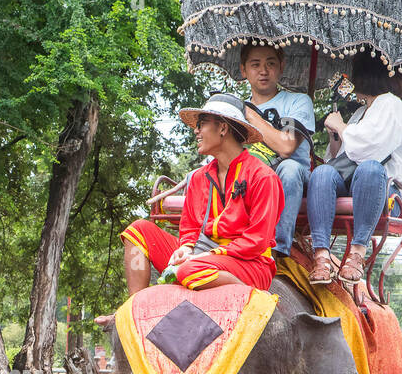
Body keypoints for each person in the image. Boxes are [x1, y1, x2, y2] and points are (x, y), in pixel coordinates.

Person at [117, 93, 282, 296]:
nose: (196, 131)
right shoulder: (198, 177)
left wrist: (205, 256)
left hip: (249, 263)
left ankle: (249, 294)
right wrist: (186, 249)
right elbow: (190, 229)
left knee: (189, 270)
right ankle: (135, 307)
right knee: (137, 231)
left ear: (223, 128)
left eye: (201, 124)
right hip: (202, 257)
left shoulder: (263, 177)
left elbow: (257, 240)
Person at [307, 51, 402, 288]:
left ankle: (357, 252)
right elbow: (337, 160)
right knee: (322, 173)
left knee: (370, 169)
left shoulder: (391, 104)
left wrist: (341, 126)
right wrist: (335, 136)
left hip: (382, 190)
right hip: (349, 185)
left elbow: (370, 152)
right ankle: (322, 256)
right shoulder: (359, 113)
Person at [236, 43, 315, 258]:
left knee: (289, 168)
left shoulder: (297, 101)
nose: (263, 70)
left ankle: (277, 248)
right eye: (255, 64)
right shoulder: (234, 109)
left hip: (289, 178)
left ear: (281, 67)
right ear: (243, 70)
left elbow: (286, 146)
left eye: (270, 64)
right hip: (247, 179)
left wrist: (251, 116)